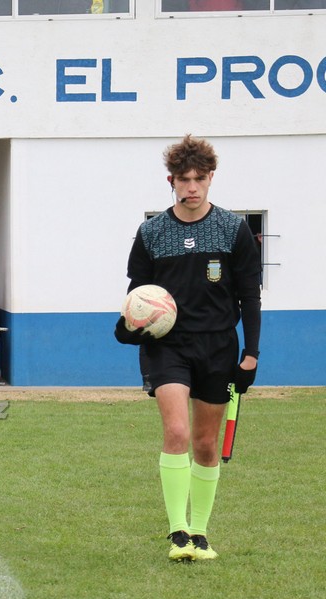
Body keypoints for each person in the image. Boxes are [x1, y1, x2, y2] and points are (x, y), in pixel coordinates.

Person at [114, 134, 261, 562]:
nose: (192, 186)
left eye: (199, 178)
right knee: (177, 432)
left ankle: (201, 534)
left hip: (219, 345)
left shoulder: (234, 229)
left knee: (204, 443)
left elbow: (249, 295)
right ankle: (177, 530)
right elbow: (136, 292)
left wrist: (250, 354)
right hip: (167, 346)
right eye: (184, 179)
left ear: (211, 178)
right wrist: (128, 326)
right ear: (171, 181)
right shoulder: (152, 232)